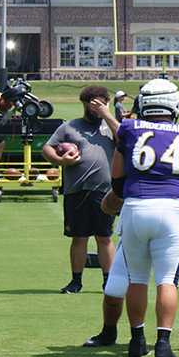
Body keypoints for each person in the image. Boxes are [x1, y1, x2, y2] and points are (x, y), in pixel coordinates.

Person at [106, 78, 179, 357]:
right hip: (170, 208)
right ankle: (163, 344)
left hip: (135, 207)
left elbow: (117, 182)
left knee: (136, 279)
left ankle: (137, 341)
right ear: (175, 103)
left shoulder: (128, 129)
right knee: (166, 281)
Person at [88, 207, 179, 353]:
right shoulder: (128, 183)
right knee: (114, 289)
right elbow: (109, 203)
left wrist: (178, 213)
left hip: (172, 233)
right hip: (137, 233)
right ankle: (109, 332)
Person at [43, 86, 117, 294]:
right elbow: (48, 147)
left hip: (104, 191)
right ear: (84, 104)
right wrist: (60, 160)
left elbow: (124, 138)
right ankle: (76, 281)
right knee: (79, 237)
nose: (96, 109)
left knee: (104, 237)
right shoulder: (70, 127)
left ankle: (108, 281)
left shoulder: (111, 126)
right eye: (92, 105)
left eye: (100, 104)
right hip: (76, 190)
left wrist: (107, 114)